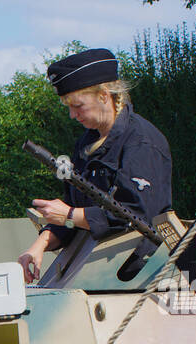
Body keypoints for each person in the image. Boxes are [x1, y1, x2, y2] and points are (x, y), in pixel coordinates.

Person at [18, 49, 173, 283]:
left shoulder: (141, 142)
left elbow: (136, 217)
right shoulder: (87, 145)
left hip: (139, 277)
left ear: (103, 95)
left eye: (77, 105)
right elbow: (74, 220)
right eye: (68, 107)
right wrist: (40, 245)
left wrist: (69, 214)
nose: (72, 115)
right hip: (94, 273)